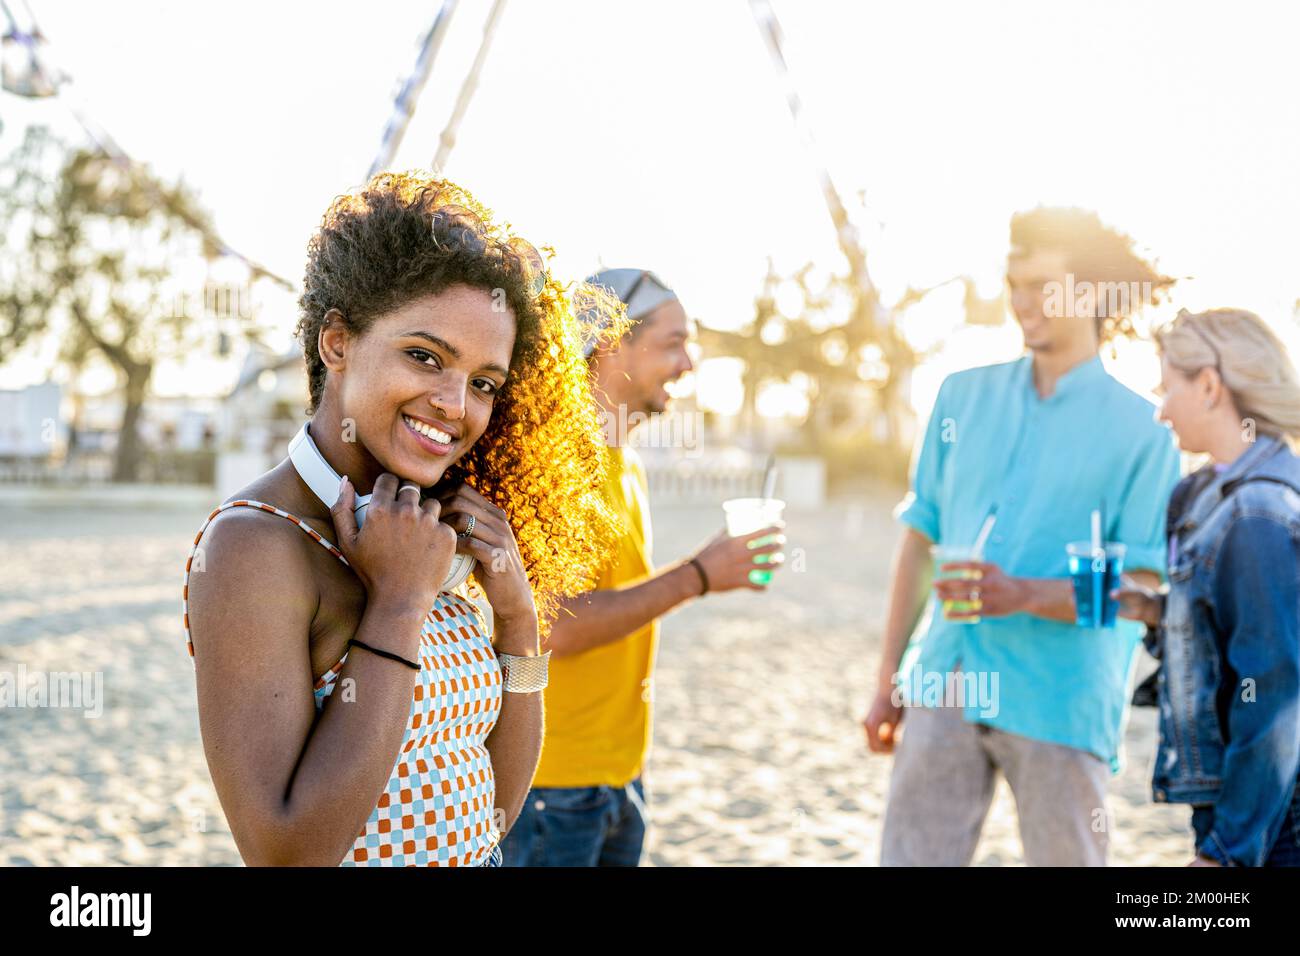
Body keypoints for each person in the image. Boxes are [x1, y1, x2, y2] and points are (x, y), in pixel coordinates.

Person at [183, 172, 620, 866]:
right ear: (337, 341)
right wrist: (397, 602)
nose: (455, 404)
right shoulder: (253, 546)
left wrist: (517, 620)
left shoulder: (425, 529)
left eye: (483, 383)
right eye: (425, 356)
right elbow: (283, 851)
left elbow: (489, 815)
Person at [862, 207, 1183, 866]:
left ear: (1091, 292)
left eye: (1042, 285)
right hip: (944, 680)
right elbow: (920, 542)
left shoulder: (1148, 431)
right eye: (1014, 284)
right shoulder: (959, 396)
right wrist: (888, 679)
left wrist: (1024, 593)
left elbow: (1141, 590)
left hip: (1061, 700)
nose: (1022, 302)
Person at [499, 267, 787, 867]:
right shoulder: (558, 464)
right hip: (551, 790)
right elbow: (553, 626)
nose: (689, 363)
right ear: (611, 344)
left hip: (621, 780)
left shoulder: (625, 461)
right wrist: (699, 576)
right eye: (673, 343)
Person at [1115, 307, 1300, 867]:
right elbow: (1224, 630)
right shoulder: (1198, 496)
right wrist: (1154, 612)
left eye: (1167, 388)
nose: (1161, 411)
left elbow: (1274, 700)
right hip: (1236, 803)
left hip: (1275, 817)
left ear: (1211, 386)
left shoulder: (1257, 514)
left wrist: (1228, 852)